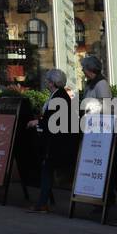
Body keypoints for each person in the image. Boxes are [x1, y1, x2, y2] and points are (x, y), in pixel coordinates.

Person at [28, 69, 75, 213]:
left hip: (56, 142)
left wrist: (37, 122)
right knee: (47, 170)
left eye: (48, 81)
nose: (46, 83)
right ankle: (43, 202)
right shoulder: (58, 95)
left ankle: (42, 203)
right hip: (57, 140)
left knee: (47, 169)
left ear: (53, 83)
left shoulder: (58, 97)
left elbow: (52, 120)